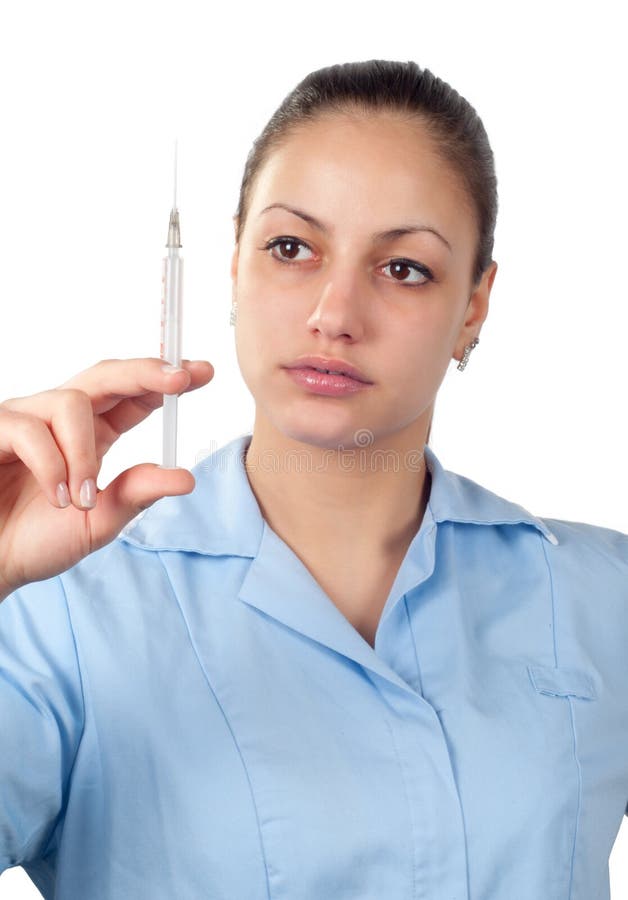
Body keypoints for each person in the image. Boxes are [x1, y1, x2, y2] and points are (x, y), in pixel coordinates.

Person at [0, 59, 627, 900]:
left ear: (473, 306)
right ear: (232, 264)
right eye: (292, 248)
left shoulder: (600, 598)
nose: (334, 314)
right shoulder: (62, 613)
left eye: (403, 267)